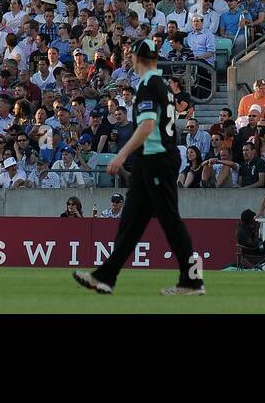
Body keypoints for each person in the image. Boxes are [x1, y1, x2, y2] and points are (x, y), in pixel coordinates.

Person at [73, 38, 202, 297]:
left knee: (169, 220)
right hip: (151, 160)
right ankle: (105, 277)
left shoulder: (147, 85)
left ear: (134, 59)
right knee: (131, 221)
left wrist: (120, 155)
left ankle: (192, 281)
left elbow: (147, 126)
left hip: (156, 159)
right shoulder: (162, 85)